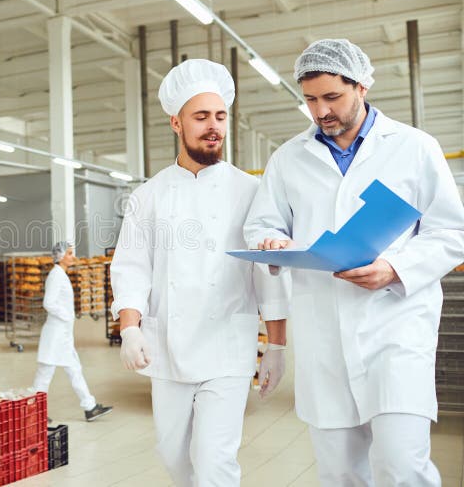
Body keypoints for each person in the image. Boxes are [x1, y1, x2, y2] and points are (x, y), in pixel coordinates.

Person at [244, 38, 464, 486]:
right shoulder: (288, 159)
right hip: (323, 332)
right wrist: (272, 242)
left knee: (402, 466)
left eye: (331, 97)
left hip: (396, 324)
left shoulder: (414, 147)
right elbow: (261, 226)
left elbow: (451, 232)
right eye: (309, 100)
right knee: (340, 472)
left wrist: (395, 269)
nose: (320, 111)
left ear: (361, 86)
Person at [110, 59, 288, 487]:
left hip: (228, 345)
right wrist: (130, 329)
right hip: (167, 345)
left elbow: (268, 273)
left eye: (221, 116)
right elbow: (132, 266)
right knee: (173, 456)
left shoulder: (249, 190)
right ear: (176, 122)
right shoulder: (148, 195)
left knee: (214, 462)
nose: (214, 126)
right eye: (202, 116)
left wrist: (277, 347)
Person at [32, 241, 113, 422]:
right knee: (44, 374)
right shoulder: (55, 275)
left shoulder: (62, 274)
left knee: (75, 369)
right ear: (60, 256)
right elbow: (49, 303)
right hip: (55, 334)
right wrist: (67, 315)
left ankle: (90, 407)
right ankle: (36, 414)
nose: (72, 256)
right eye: (69, 253)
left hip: (63, 336)